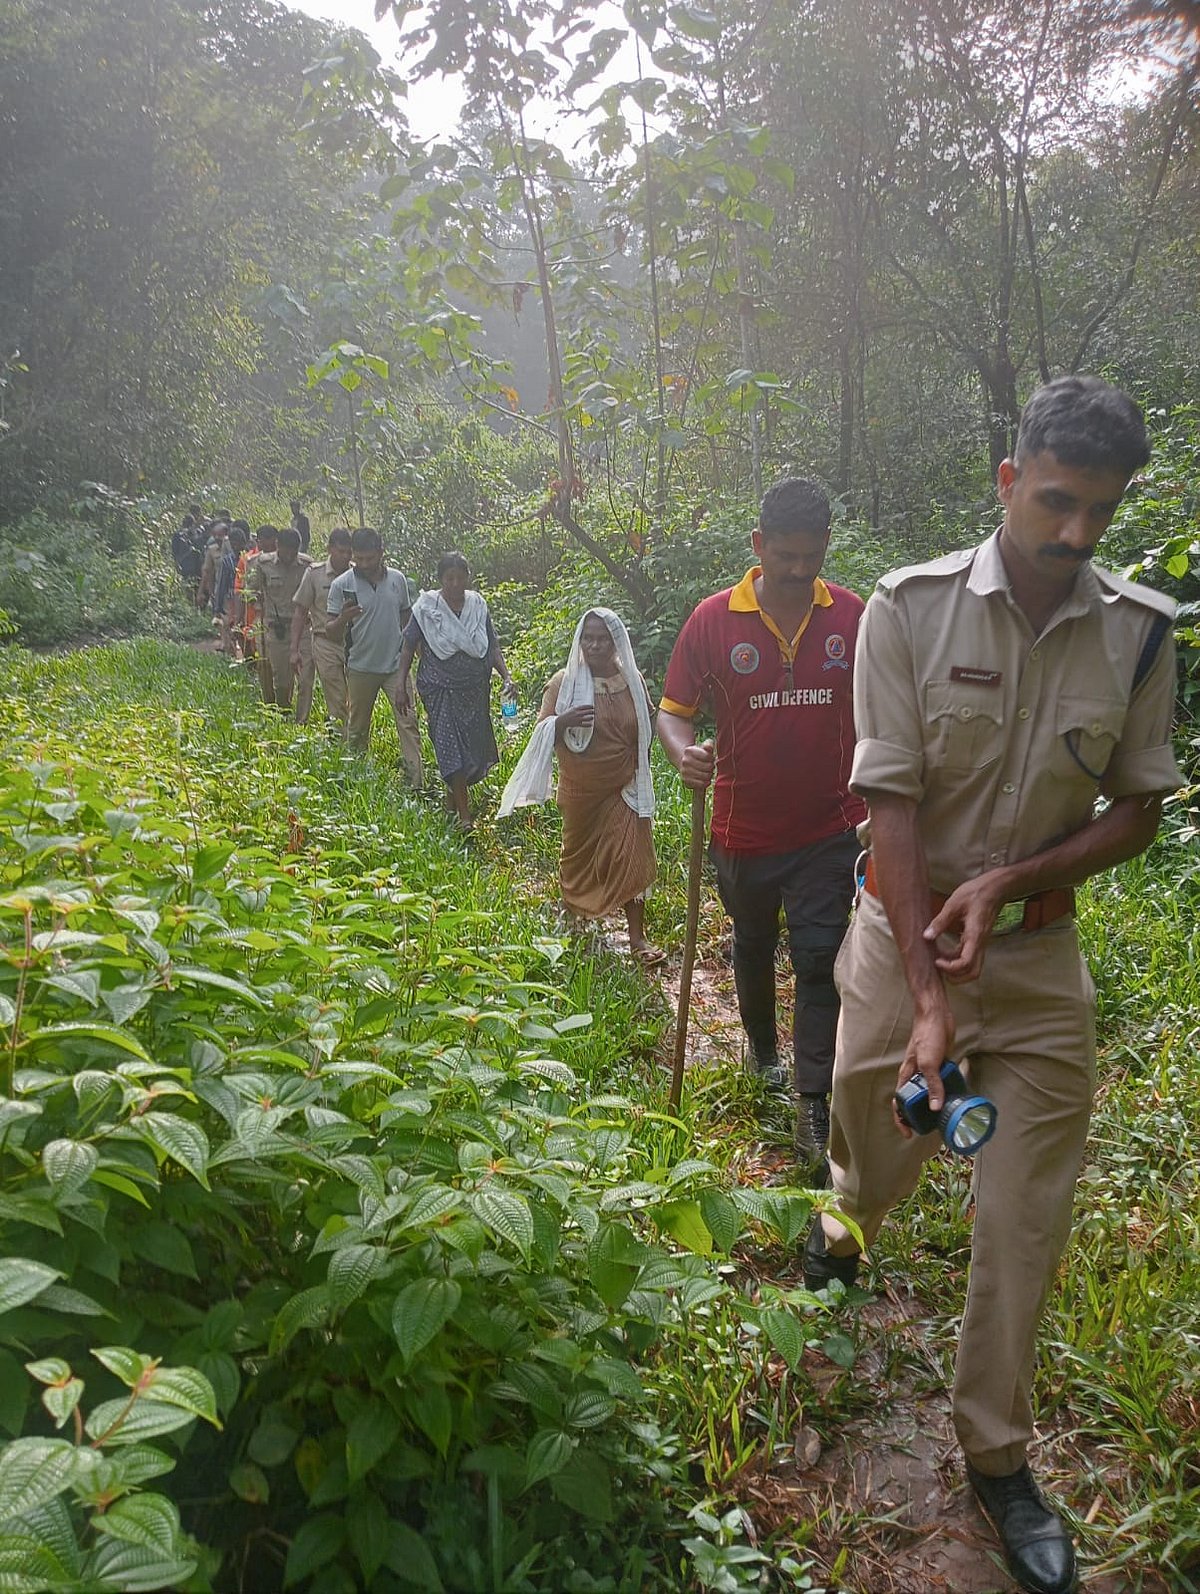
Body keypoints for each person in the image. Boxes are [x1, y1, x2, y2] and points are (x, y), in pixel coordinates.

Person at [805, 377, 1181, 1594]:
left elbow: (1137, 808)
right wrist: (928, 1002)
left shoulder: (1140, 631)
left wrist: (1014, 880)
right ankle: (844, 1220)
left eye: (1100, 512)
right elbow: (892, 807)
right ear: (1009, 479)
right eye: (1057, 501)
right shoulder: (907, 611)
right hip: (901, 940)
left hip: (1037, 961)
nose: (1077, 532)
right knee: (876, 1149)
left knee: (1023, 1218)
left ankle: (998, 1455)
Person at [657, 477, 866, 1167]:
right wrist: (684, 754)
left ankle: (812, 1103)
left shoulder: (854, 616)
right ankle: (763, 1050)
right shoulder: (712, 620)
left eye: (812, 556)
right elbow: (673, 712)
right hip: (741, 830)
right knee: (751, 941)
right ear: (758, 545)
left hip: (831, 829)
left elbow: (885, 709)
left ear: (826, 545)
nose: (800, 570)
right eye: (785, 557)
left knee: (819, 958)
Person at [498, 609, 659, 961]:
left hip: (625, 787)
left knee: (633, 855)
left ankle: (637, 939)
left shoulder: (631, 680)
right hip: (582, 791)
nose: (595, 645)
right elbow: (541, 731)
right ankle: (576, 922)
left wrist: (639, 764)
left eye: (603, 639)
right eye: (589, 638)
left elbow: (648, 721)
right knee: (578, 859)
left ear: (615, 642)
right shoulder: (564, 683)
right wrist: (563, 721)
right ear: (580, 641)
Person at [396, 551, 514, 831]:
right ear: (440, 579)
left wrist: (507, 676)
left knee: (471, 748)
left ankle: (452, 798)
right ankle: (464, 816)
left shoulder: (477, 606)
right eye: (449, 578)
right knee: (450, 747)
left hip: (475, 690)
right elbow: (408, 646)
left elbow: (492, 645)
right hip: (440, 688)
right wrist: (401, 684)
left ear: (468, 578)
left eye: (460, 578)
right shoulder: (427, 609)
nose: (455, 584)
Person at [326, 527, 423, 787]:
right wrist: (343, 618)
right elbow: (330, 632)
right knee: (358, 727)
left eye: (369, 558)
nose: (364, 564)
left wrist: (416, 653)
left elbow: (406, 619)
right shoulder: (342, 584)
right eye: (359, 559)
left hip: (395, 667)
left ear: (381, 553)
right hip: (360, 667)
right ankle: (356, 779)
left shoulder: (398, 580)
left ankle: (415, 783)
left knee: (408, 723)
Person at [291, 527, 352, 727]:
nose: (345, 556)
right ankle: (341, 740)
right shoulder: (315, 574)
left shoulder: (358, 574)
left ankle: (353, 737)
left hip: (355, 643)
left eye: (349, 552)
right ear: (330, 549)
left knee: (356, 698)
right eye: (341, 551)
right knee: (337, 697)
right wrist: (294, 649)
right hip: (325, 642)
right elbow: (300, 612)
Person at [250, 526, 313, 718]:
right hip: (277, 628)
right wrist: (258, 609)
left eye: (294, 552)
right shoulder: (263, 564)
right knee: (282, 680)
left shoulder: (307, 565)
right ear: (278, 545)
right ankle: (283, 713)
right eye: (286, 551)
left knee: (306, 678)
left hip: (303, 628)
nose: (289, 556)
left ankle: (302, 720)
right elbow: (252, 592)